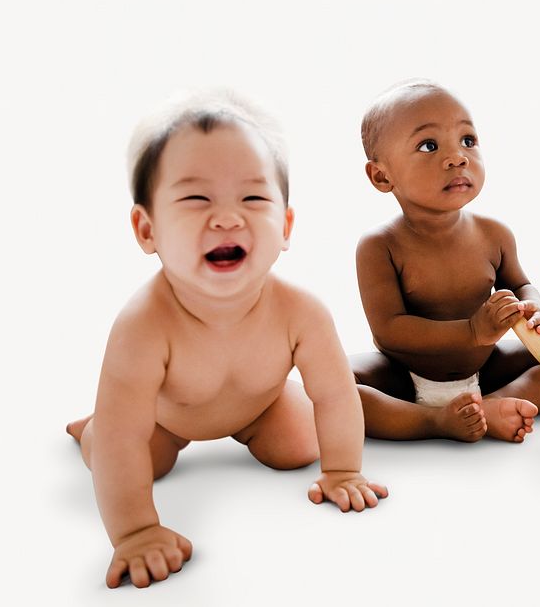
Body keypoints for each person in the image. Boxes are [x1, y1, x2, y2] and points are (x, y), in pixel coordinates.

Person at [67, 90, 387, 588]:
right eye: (196, 199)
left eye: (253, 197)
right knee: (129, 453)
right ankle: (91, 426)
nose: (227, 218)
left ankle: (268, 427)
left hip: (261, 407)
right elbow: (122, 440)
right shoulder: (143, 327)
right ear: (147, 228)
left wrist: (343, 470)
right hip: (165, 420)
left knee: (300, 442)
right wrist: (136, 532)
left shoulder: (301, 311)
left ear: (284, 225)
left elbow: (335, 393)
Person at [353, 80, 540, 443]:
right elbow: (389, 329)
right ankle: (433, 420)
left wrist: (532, 306)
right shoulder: (379, 246)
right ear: (382, 175)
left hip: (483, 366)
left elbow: (520, 283)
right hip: (405, 374)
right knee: (338, 386)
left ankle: (489, 405)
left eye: (468, 141)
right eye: (429, 146)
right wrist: (472, 331)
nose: (457, 157)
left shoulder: (495, 234)